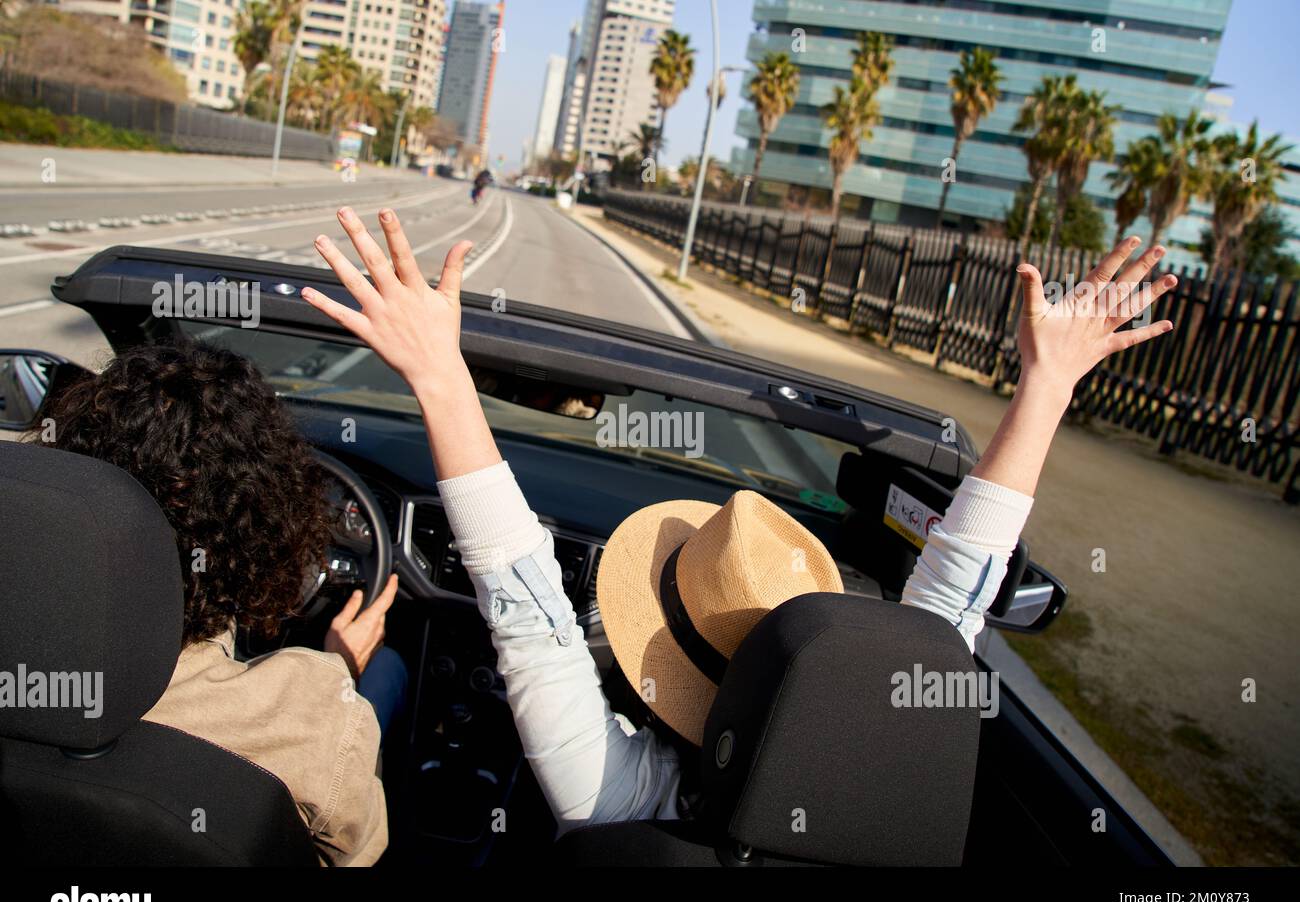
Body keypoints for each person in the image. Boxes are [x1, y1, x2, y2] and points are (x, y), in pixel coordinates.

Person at [303, 206, 1177, 834]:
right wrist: (1049, 384)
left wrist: (439, 375)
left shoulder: (615, 801)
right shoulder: (883, 781)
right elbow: (957, 598)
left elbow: (525, 609)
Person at [31, 342, 406, 865]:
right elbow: (358, 854)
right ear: (267, 526)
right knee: (388, 671)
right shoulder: (314, 711)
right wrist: (342, 669)